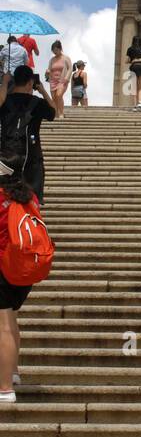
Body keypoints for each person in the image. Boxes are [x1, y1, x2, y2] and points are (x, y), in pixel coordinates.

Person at [0, 155, 44, 404]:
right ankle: (13, 371)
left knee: (3, 326)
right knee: (11, 321)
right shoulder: (28, 196)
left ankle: (5, 388)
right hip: (23, 270)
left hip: (3, 268)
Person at [0, 65, 55, 204]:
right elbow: (53, 112)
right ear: (30, 82)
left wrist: (5, 83)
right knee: (31, 200)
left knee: (5, 198)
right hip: (32, 159)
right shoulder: (38, 103)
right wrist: (42, 90)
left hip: (6, 157)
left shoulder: (5, 101)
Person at [48, 40, 73, 119]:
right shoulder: (52, 59)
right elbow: (49, 69)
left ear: (60, 49)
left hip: (62, 80)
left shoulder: (66, 58)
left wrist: (67, 78)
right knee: (54, 98)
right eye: (53, 50)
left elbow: (70, 68)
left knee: (59, 95)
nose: (54, 52)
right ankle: (56, 113)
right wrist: (47, 71)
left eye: (56, 50)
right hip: (53, 80)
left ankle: (61, 113)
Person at [125, 35, 141, 112]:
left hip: (133, 66)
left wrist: (132, 60)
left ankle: (135, 105)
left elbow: (126, 60)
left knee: (134, 87)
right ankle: (139, 102)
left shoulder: (130, 49)